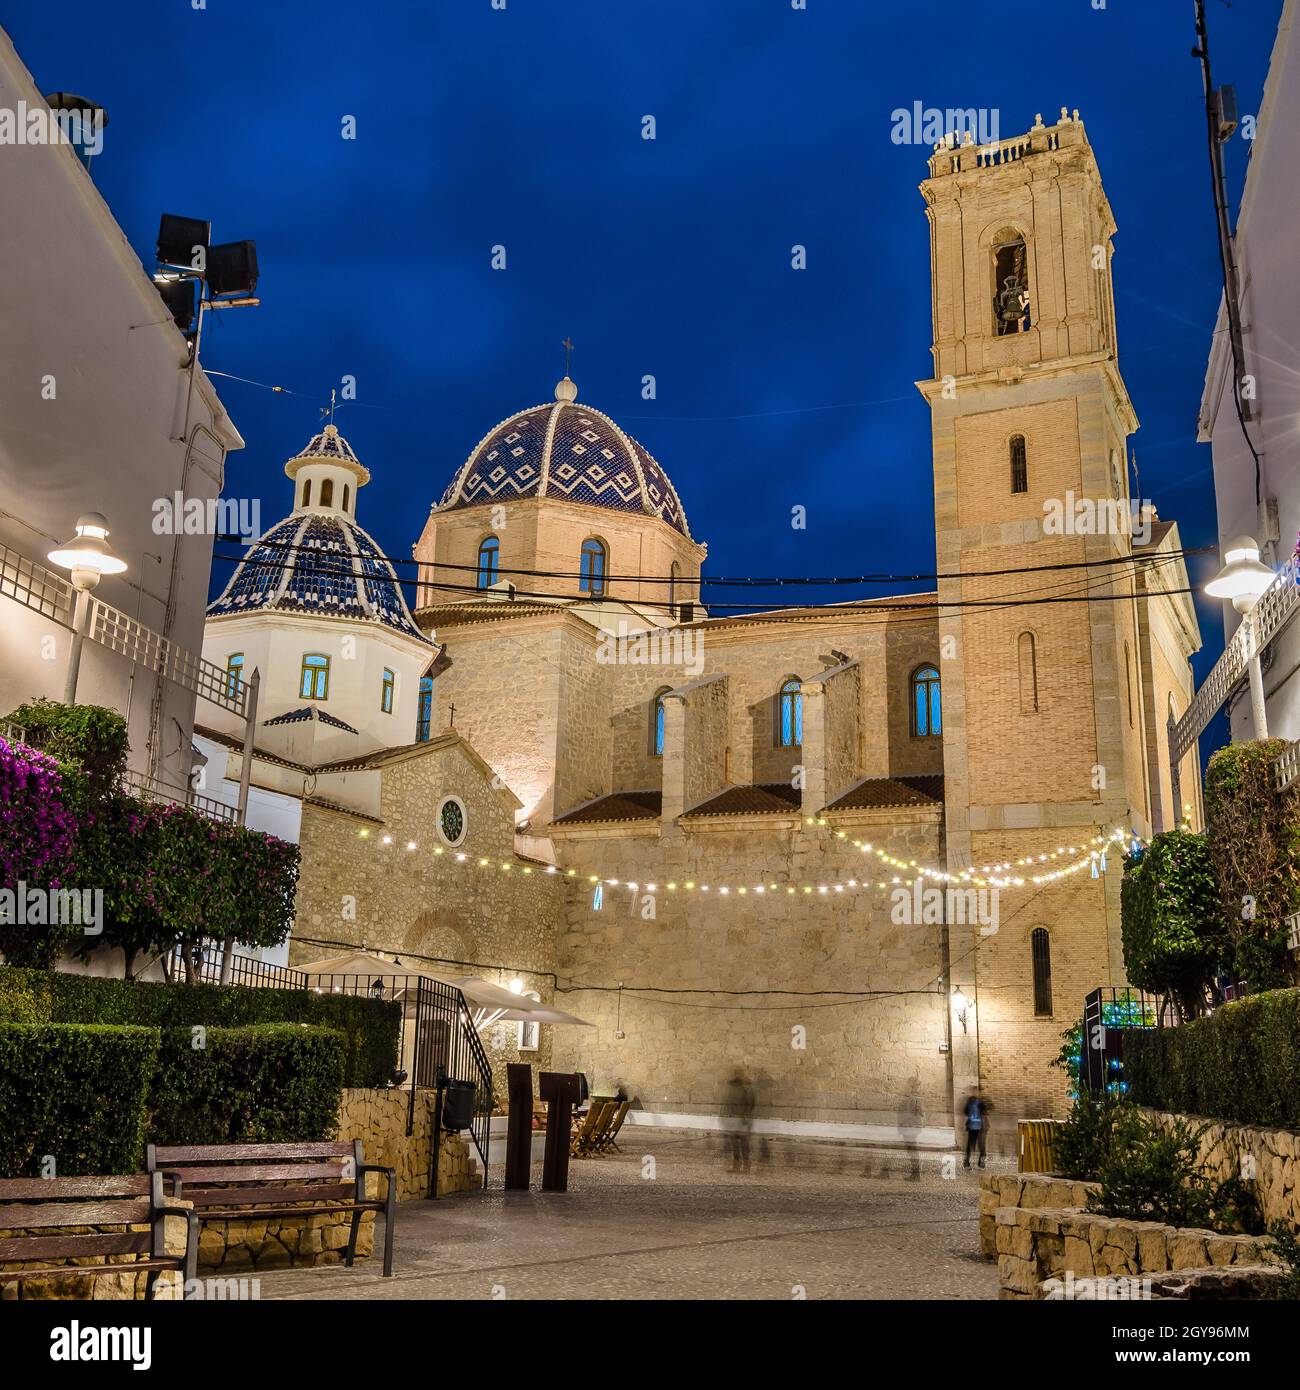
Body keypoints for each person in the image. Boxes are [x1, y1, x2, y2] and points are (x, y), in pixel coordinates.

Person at [721, 1069, 756, 1173]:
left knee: (743, 1143)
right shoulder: (731, 1089)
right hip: (733, 1120)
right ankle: (736, 1165)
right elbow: (726, 1104)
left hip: (741, 1120)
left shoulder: (746, 1089)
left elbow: (750, 1105)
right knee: (735, 1144)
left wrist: (745, 1118)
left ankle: (746, 1165)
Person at [963, 1090, 989, 1168]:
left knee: (971, 1145)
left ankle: (967, 1162)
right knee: (981, 1145)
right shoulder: (980, 1103)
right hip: (980, 1127)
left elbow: (965, 1112)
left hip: (973, 1127)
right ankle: (980, 1163)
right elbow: (986, 1111)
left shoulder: (970, 1103)